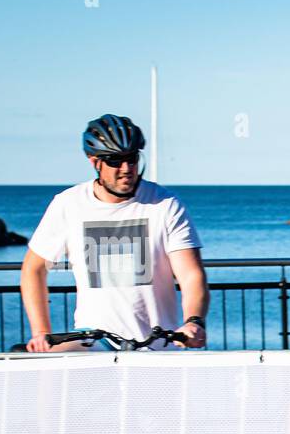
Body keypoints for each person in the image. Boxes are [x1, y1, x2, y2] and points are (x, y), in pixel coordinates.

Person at [21, 114, 209, 352]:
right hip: (92, 340)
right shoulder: (68, 204)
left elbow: (191, 274)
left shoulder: (165, 204)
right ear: (94, 161)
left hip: (156, 342)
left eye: (131, 159)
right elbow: (33, 268)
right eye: (115, 161)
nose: (126, 169)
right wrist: (41, 333)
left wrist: (193, 322)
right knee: (43, 371)